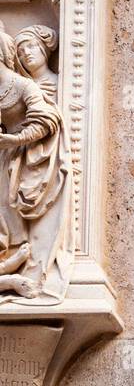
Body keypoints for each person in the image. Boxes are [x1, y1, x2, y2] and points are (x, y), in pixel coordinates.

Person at [0, 32, 72, 301]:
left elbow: (46, 121)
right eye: (22, 49)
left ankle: (17, 262)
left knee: (8, 213)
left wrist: (13, 139)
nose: (26, 54)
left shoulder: (23, 86)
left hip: (16, 158)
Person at [14, 24, 59, 103]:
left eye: (31, 46)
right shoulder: (17, 87)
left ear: (43, 48)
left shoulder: (58, 82)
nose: (27, 53)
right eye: (20, 52)